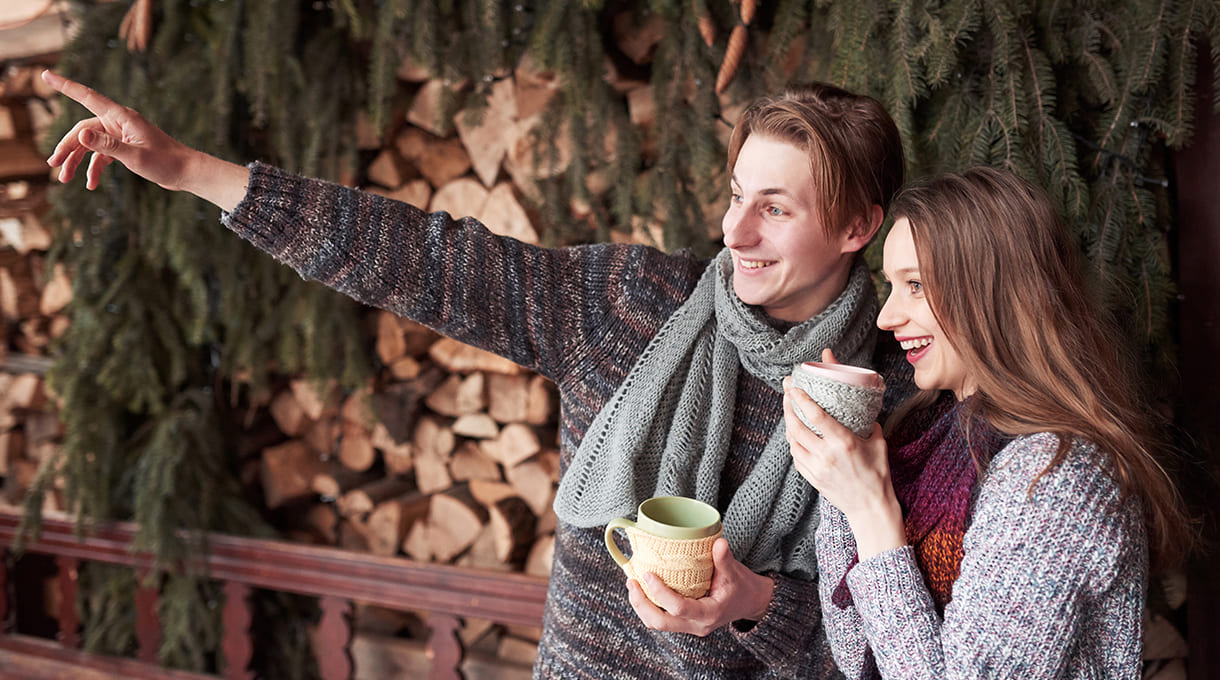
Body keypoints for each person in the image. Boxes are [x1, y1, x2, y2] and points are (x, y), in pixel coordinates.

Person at [43, 68, 910, 679]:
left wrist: (753, 601)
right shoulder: (631, 305)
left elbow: (879, 648)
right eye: (734, 194)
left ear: (855, 229)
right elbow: (424, 260)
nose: (735, 232)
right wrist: (192, 171)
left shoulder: (900, 400)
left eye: (775, 207)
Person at [782, 167, 1192, 679]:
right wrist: (848, 468)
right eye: (892, 286)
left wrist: (870, 507)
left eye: (916, 285)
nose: (887, 317)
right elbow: (858, 654)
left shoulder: (1058, 478)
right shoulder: (923, 436)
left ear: (993, 293)